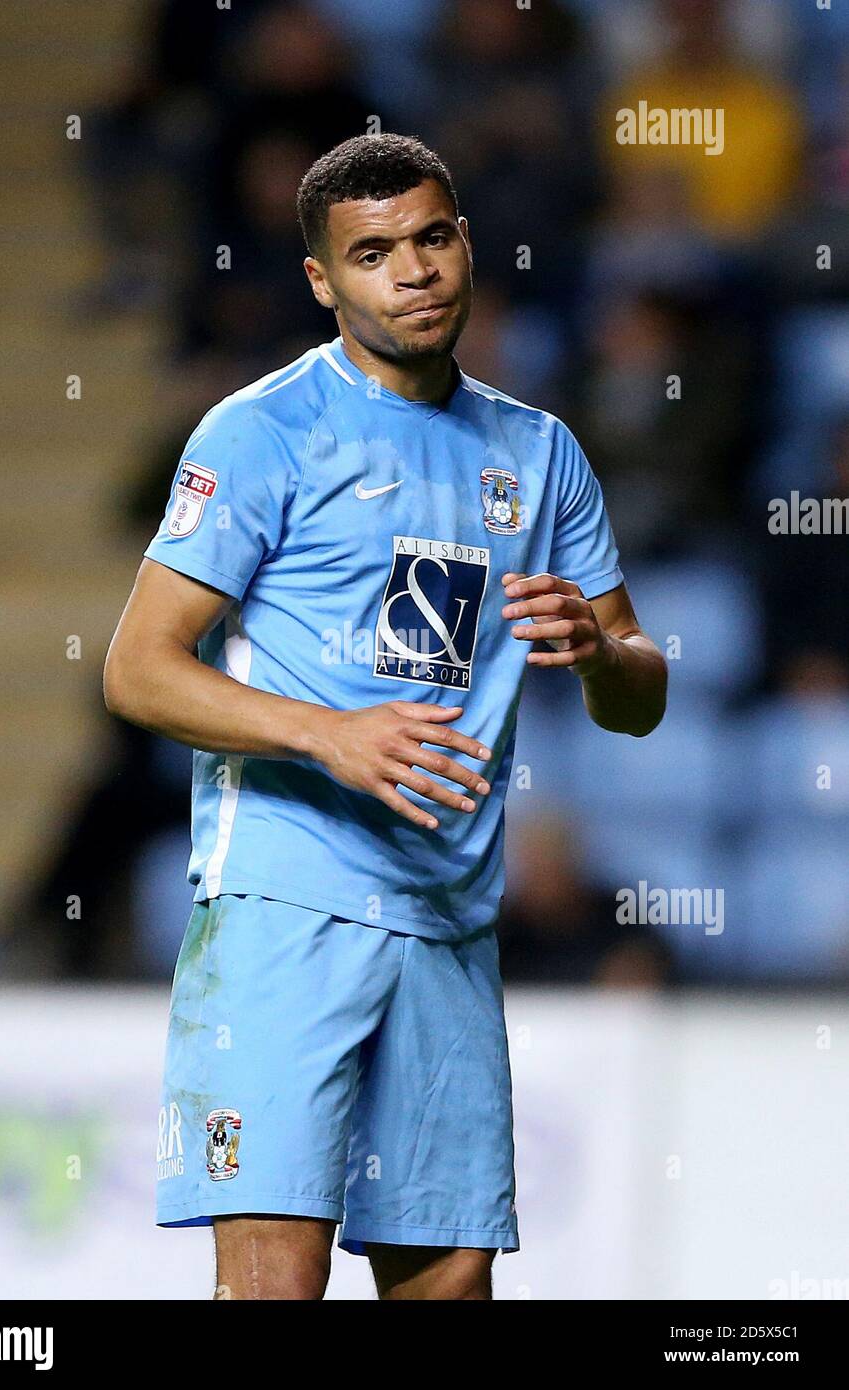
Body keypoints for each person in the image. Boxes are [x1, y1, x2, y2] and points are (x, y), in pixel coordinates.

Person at [103, 133, 667, 1300]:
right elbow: (139, 671)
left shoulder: (537, 450)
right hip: (282, 903)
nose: (411, 271)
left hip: (448, 921)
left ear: (463, 242)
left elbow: (637, 697)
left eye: (430, 238)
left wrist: (596, 649)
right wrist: (328, 733)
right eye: (371, 254)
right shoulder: (261, 432)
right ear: (323, 281)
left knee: (449, 1282)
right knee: (273, 1276)